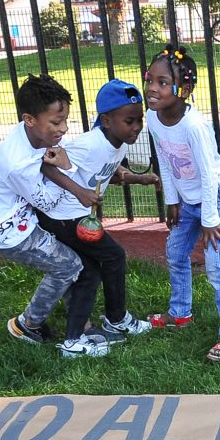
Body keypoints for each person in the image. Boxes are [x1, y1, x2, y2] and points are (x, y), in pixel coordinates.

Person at [0, 73, 107, 359]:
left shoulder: (35, 135)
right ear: (29, 119)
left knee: (67, 258)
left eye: (65, 120)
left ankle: (79, 324)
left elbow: (46, 171)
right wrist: (69, 173)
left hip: (20, 218)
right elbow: (46, 200)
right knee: (68, 266)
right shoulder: (16, 162)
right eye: (56, 123)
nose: (63, 129)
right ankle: (27, 324)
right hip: (5, 230)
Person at [35, 78, 159, 345]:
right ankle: (116, 319)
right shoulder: (89, 144)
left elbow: (103, 171)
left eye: (140, 120)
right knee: (114, 256)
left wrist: (139, 178)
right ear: (106, 120)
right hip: (63, 218)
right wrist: (79, 192)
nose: (136, 127)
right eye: (130, 121)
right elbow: (47, 164)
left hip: (75, 216)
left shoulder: (119, 141)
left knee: (88, 270)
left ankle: (75, 337)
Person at [144, 45, 220, 362]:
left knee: (216, 265)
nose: (152, 88)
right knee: (175, 252)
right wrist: (172, 200)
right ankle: (180, 314)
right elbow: (164, 157)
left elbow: (207, 176)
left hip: (216, 196)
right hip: (188, 201)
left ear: (183, 90)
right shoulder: (153, 117)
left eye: (162, 82)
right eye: (150, 79)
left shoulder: (194, 126)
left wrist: (210, 220)